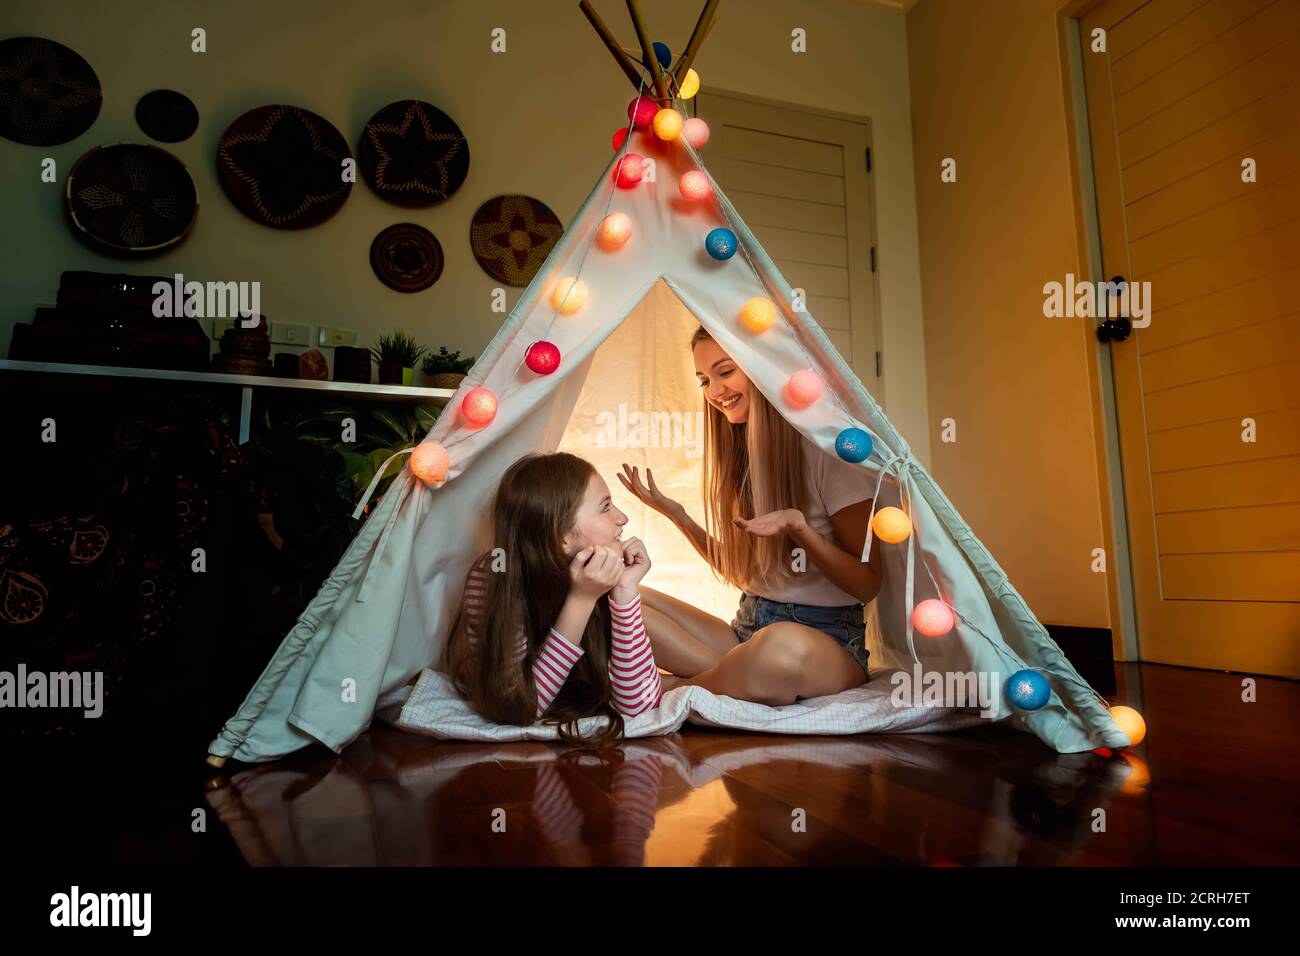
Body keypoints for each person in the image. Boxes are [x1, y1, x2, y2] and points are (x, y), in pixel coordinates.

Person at [618, 325, 883, 706]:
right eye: (704, 380)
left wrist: (801, 530)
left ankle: (667, 694)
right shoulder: (745, 453)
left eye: (725, 372)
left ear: (761, 369)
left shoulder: (829, 453)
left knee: (779, 647)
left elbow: (868, 584)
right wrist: (679, 516)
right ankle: (729, 677)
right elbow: (743, 573)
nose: (714, 392)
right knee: (618, 595)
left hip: (824, 642)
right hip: (748, 630)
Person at [446, 452, 662, 747]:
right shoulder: (493, 579)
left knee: (715, 658)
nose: (622, 518)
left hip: (606, 644)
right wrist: (582, 599)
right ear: (561, 537)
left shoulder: (598, 571)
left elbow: (639, 708)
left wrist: (625, 590)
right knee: (720, 670)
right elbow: (520, 706)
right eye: (605, 507)